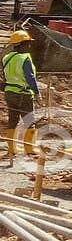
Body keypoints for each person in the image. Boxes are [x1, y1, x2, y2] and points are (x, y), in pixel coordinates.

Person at [2, 29, 38, 165]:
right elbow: (30, 77)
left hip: (10, 92)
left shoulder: (7, 57)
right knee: (30, 120)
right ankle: (29, 149)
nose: (29, 45)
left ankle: (11, 149)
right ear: (21, 44)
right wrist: (36, 91)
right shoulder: (25, 57)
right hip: (24, 93)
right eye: (27, 43)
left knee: (13, 120)